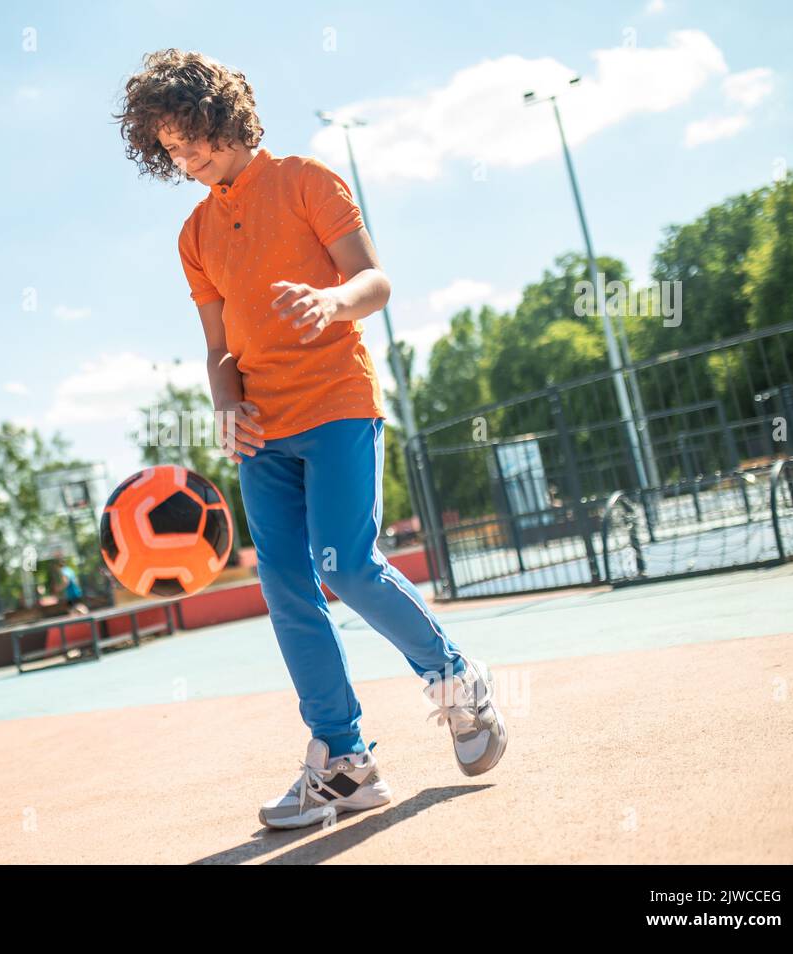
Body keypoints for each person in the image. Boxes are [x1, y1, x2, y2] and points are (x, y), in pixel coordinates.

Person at [113, 49, 507, 830]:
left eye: (189, 136)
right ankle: (344, 762)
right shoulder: (194, 234)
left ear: (221, 114)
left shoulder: (306, 181)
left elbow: (374, 281)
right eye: (168, 148)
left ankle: (458, 683)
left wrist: (333, 303)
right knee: (287, 590)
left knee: (345, 565)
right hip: (261, 434)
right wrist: (225, 398)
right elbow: (217, 346)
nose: (183, 157)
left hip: (335, 403)